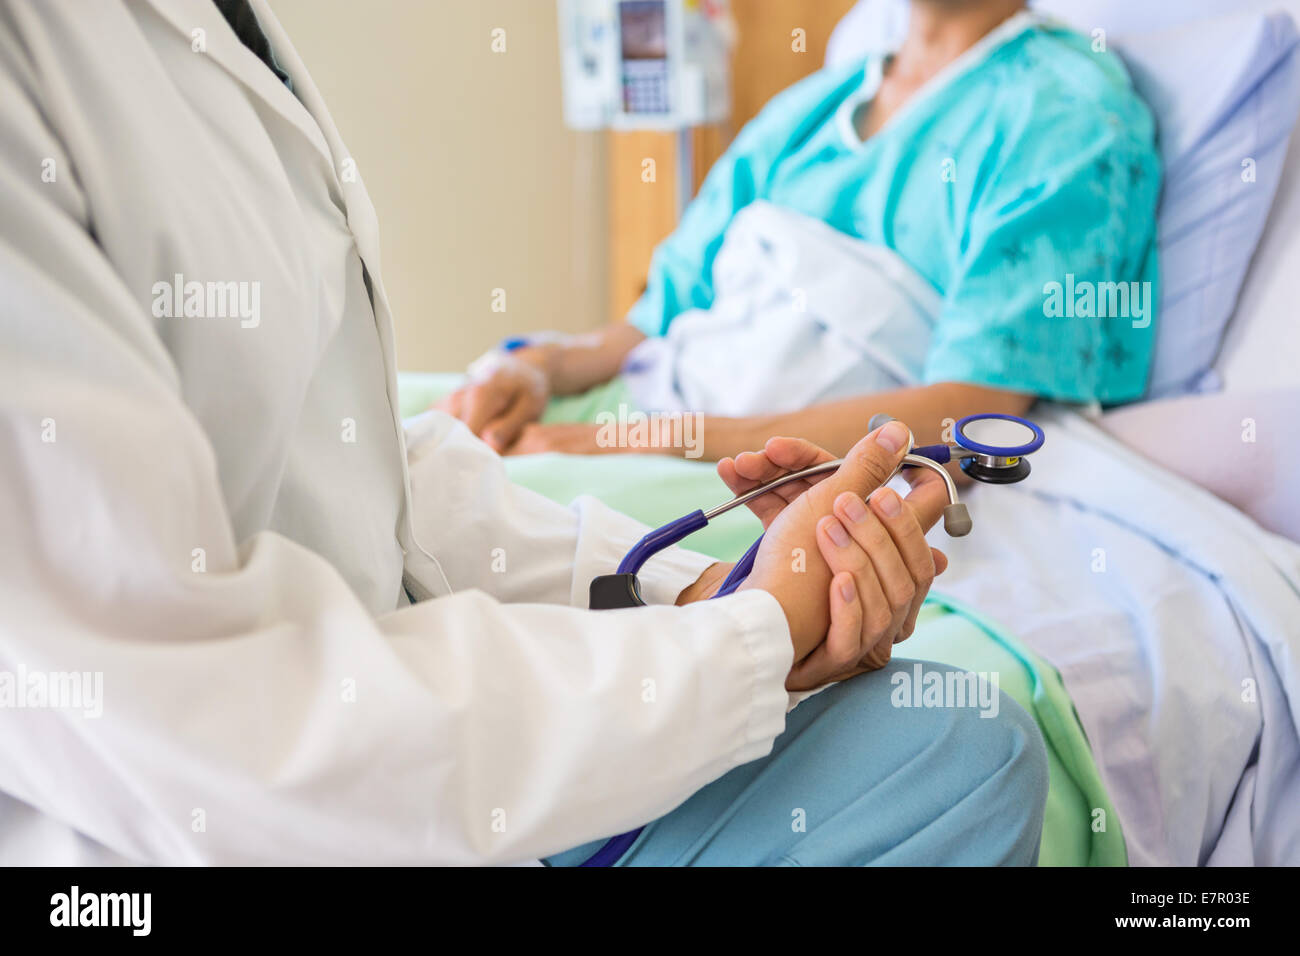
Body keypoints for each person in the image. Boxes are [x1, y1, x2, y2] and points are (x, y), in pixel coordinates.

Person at [0, 0, 1045, 865]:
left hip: (629, 493)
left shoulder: (1063, 102)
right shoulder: (808, 108)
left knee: (964, 739)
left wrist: (700, 584)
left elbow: (332, 462)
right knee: (964, 756)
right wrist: (745, 626)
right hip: (225, 818)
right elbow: (213, 712)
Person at [440, 0, 1162, 462]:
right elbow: (655, 319)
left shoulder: (1071, 118)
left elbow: (972, 410)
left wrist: (630, 445)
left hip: (748, 468)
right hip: (645, 409)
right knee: (397, 440)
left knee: (440, 522)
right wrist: (538, 367)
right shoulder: (808, 110)